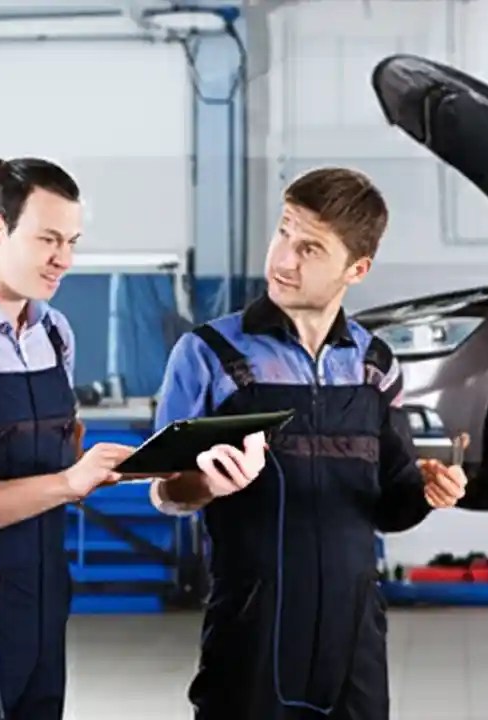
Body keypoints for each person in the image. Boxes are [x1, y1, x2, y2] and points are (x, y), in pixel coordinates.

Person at [0, 153, 253, 719]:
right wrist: (67, 479)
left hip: (43, 591)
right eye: (49, 239)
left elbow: (56, 447)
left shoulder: (54, 333)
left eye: (73, 242)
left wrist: (136, 464)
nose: (65, 259)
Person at [149, 166, 469, 720]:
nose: (283, 259)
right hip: (252, 628)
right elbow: (163, 492)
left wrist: (428, 493)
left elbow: (390, 503)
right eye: (283, 233)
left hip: (354, 636)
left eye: (310, 249)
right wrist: (202, 483)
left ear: (357, 268)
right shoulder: (210, 355)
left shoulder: (374, 366)